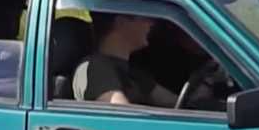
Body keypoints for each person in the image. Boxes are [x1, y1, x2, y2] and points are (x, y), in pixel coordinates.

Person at [74, 11, 211, 107]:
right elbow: (120, 115)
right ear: (121, 22)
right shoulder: (96, 67)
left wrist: (207, 85)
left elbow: (175, 102)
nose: (151, 23)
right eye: (143, 17)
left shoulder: (133, 72)